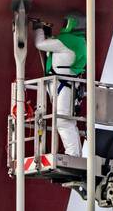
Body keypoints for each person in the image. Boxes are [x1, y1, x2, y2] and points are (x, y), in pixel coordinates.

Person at [31, 14, 87, 156]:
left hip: (62, 86)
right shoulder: (80, 42)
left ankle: (73, 154)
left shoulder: (69, 41)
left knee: (63, 121)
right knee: (68, 121)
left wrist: (38, 28)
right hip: (65, 86)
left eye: (66, 22)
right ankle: (76, 154)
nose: (64, 25)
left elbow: (40, 44)